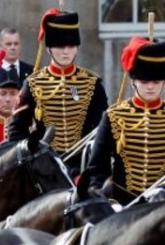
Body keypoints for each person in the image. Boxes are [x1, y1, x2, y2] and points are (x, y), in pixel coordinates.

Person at [85, 36, 165, 204]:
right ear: (134, 81)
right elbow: (97, 168)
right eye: (144, 81)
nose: (150, 87)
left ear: (163, 82)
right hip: (121, 204)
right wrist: (104, 200)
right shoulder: (113, 116)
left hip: (163, 206)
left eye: (156, 81)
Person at [8, 9, 108, 158]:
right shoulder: (33, 84)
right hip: (44, 165)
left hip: (83, 163)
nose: (66, 52)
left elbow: (102, 129)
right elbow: (17, 131)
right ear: (49, 48)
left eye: (71, 47)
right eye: (60, 47)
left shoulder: (92, 83)